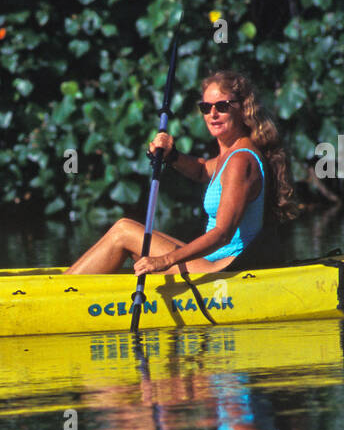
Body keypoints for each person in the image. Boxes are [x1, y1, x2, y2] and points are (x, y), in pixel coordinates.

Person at [66, 70, 299, 276]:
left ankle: (62, 291)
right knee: (126, 228)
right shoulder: (231, 155)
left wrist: (164, 261)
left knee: (124, 231)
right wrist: (172, 156)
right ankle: (68, 282)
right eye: (206, 108)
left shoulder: (240, 161)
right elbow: (200, 170)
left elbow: (222, 235)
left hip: (223, 268)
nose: (213, 114)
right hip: (213, 262)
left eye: (223, 106)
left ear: (243, 107)